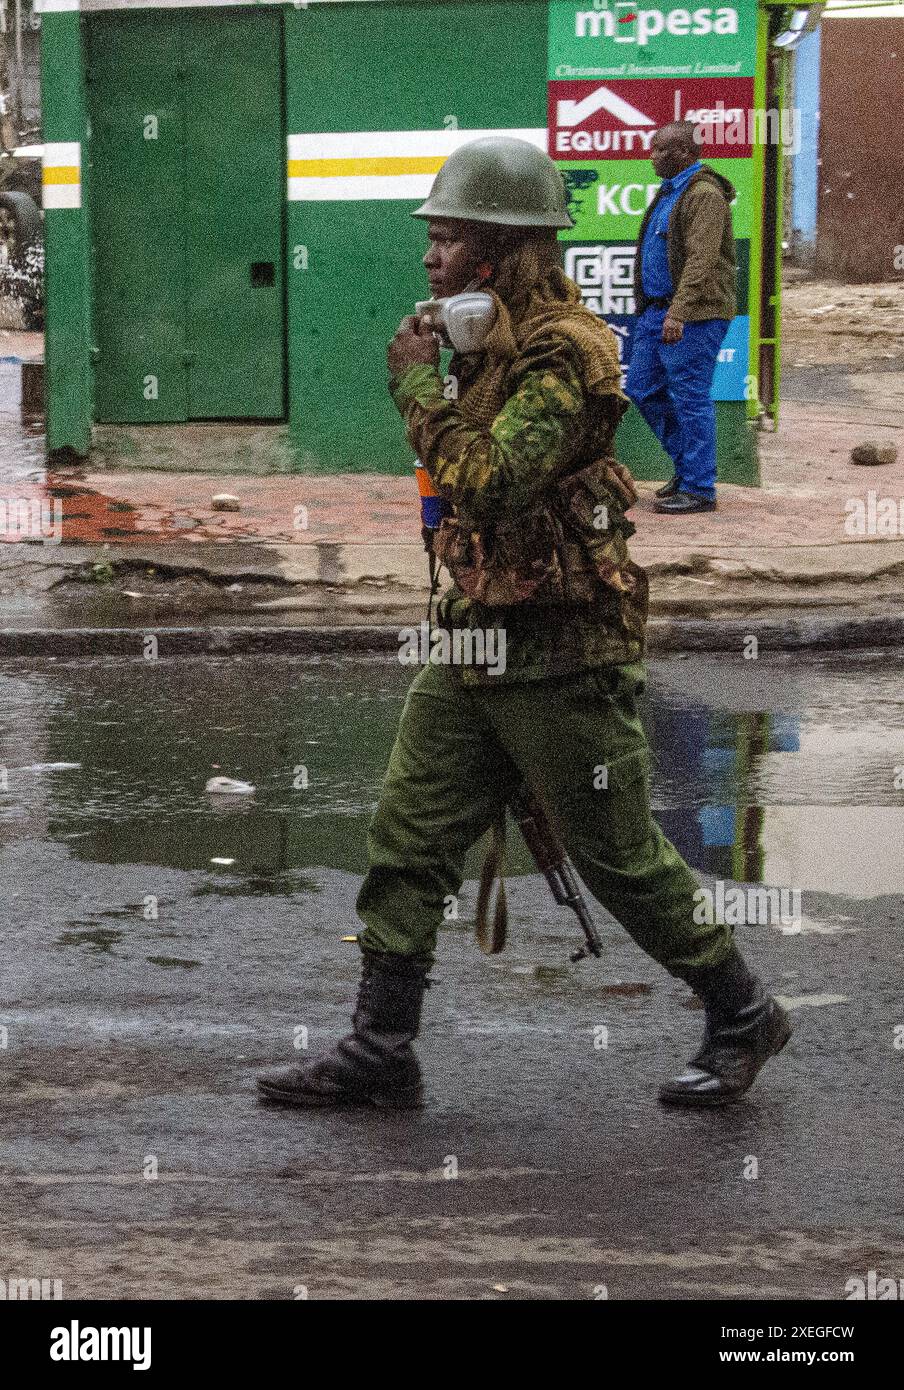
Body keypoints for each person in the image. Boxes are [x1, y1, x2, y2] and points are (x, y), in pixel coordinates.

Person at [256, 137, 790, 1112]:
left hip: (560, 644)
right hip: (474, 632)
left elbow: (496, 484)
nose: (429, 256)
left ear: (496, 251)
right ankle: (381, 1046)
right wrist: (449, 373)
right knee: (407, 833)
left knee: (619, 854)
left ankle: (742, 1009)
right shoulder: (485, 337)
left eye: (447, 237)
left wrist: (418, 389)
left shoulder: (564, 353)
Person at [626, 121, 737, 515]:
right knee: (641, 388)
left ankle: (700, 488)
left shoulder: (704, 195)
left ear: (685, 154)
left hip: (692, 315)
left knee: (691, 398)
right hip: (657, 313)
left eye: (660, 150)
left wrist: (679, 312)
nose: (651, 156)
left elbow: (702, 260)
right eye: (653, 149)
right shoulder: (671, 192)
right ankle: (688, 468)